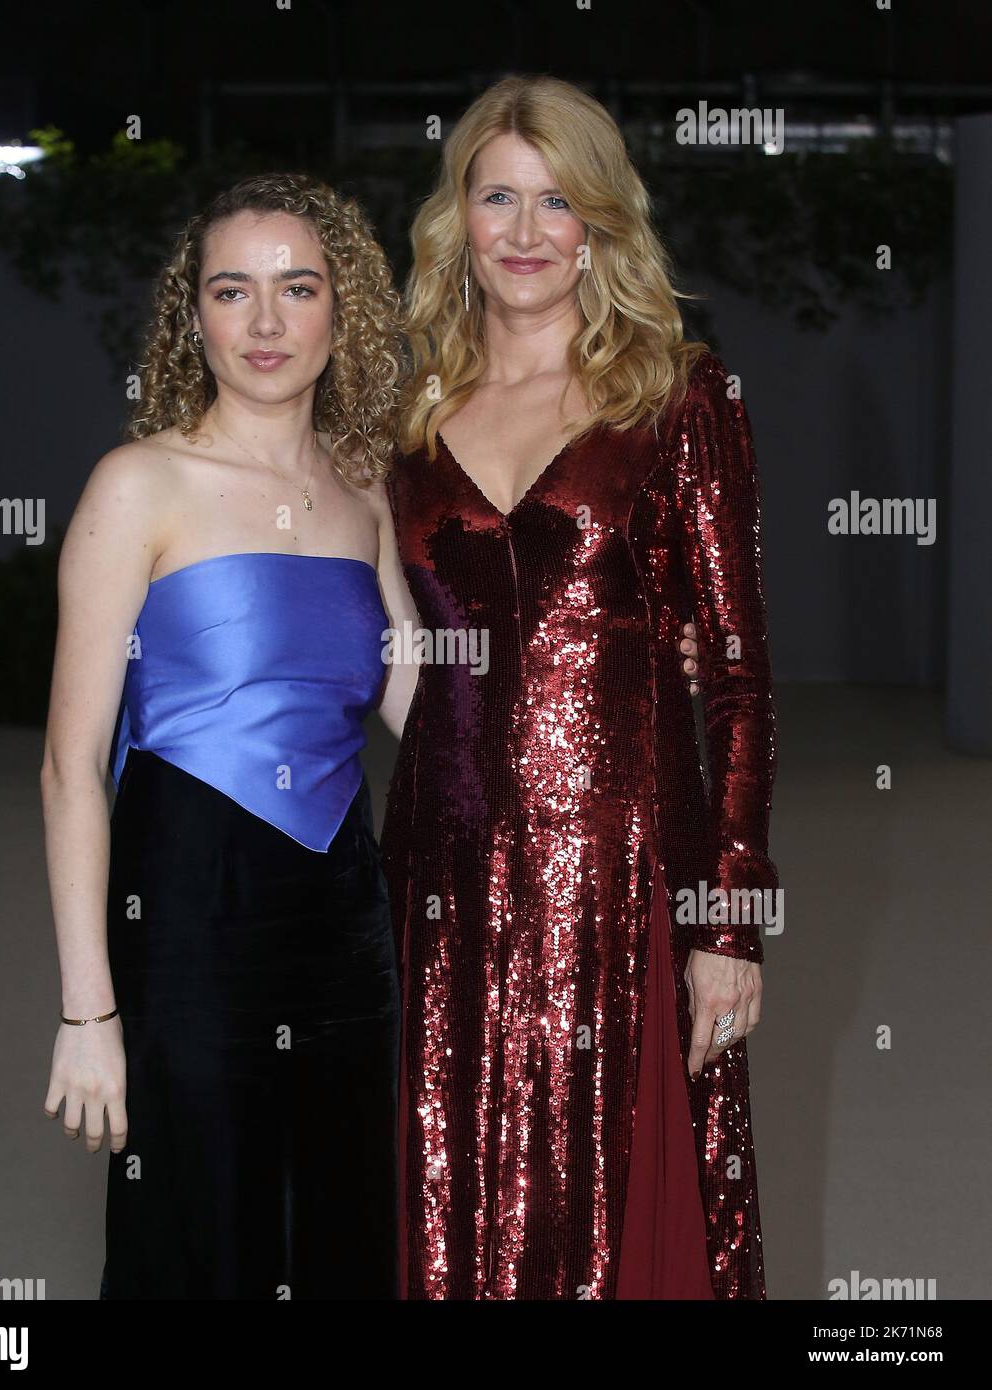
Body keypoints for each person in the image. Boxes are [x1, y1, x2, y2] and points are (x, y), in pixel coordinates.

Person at [379, 75, 778, 1299]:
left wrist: (727, 924)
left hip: (623, 878)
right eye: (497, 197)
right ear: (458, 218)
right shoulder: (407, 414)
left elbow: (740, 682)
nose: (524, 230)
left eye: (556, 200)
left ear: (600, 222)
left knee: (612, 1219)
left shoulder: (678, 396)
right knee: (447, 1201)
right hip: (440, 874)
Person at [40, 173, 416, 1299]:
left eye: (297, 287)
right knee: (200, 1225)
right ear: (191, 314)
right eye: (231, 289)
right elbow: (69, 767)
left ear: (341, 309)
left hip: (345, 916)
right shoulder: (139, 484)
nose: (264, 321)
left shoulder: (363, 491)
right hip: (190, 908)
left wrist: (623, 663)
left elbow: (433, 708)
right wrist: (87, 1010)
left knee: (346, 1219)